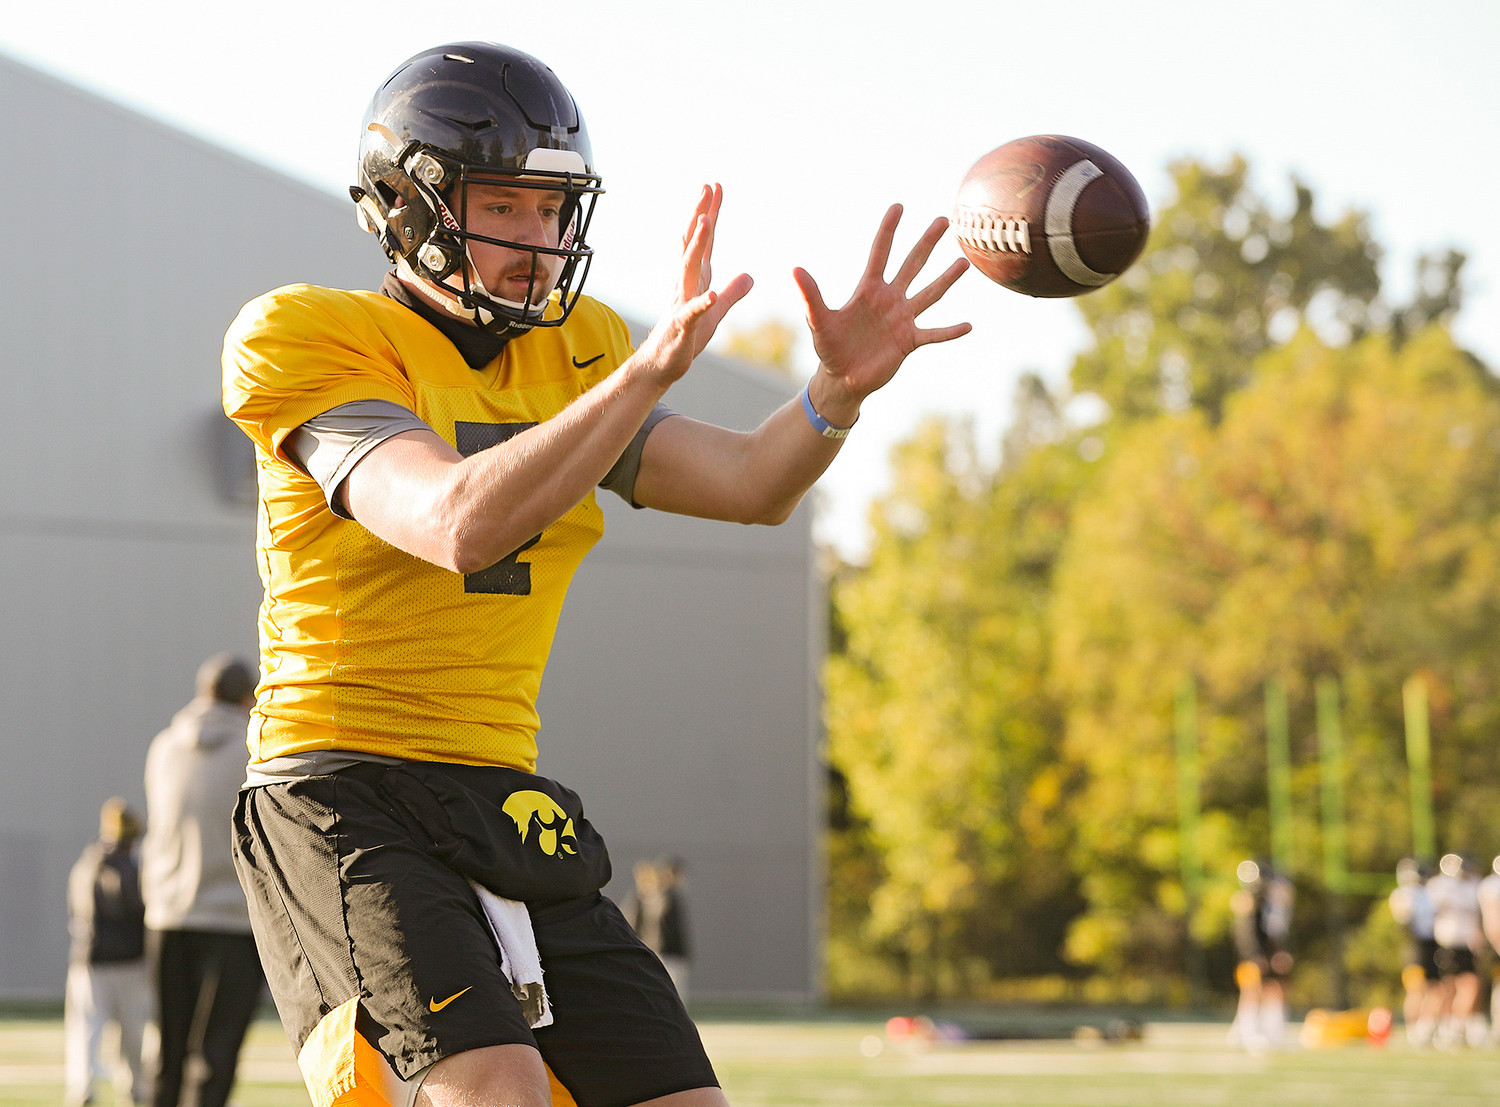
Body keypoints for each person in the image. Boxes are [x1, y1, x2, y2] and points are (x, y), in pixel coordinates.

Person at [222, 40, 969, 1107]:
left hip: (502, 790)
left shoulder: (575, 350)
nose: (540, 241)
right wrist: (652, 369)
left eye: (554, 209)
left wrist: (835, 396)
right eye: (508, 207)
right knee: (499, 1095)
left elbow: (756, 483)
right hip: (347, 790)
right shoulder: (305, 336)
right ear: (407, 206)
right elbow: (454, 521)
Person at [140, 654, 266, 1107]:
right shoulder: (253, 751)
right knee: (215, 1054)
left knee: (167, 1050)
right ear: (247, 697)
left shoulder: (164, 747)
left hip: (168, 914)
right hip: (231, 920)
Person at [64, 797, 151, 1107]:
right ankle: (135, 1090)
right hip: (127, 961)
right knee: (129, 1035)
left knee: (87, 1031)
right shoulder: (134, 866)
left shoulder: (87, 864)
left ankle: (83, 1090)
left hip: (91, 960)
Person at [1228, 859, 1294, 1052]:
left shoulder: (1271, 906)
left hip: (1265, 953)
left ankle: (1272, 1031)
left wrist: (1277, 953)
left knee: (1274, 989)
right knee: (1252, 990)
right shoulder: (1248, 901)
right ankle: (1247, 1031)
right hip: (1252, 954)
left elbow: (1273, 933)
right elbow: (1246, 933)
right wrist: (1254, 955)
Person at [1426, 852, 1488, 1048]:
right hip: (1447, 943)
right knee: (1448, 988)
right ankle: (1447, 1029)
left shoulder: (1473, 886)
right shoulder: (1440, 886)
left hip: (1466, 945)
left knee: (1469, 986)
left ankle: (1455, 1027)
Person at [623, 857, 693, 1000]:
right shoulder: (656, 899)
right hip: (665, 954)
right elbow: (634, 926)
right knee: (670, 995)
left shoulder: (664, 898)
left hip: (665, 953)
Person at [1390, 857, 1442, 1045]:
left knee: (1436, 989)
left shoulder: (1428, 893)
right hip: (1415, 946)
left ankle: (1426, 1027)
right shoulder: (1403, 894)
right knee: (1417, 989)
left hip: (1432, 944)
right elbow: (1404, 920)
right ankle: (1414, 1029)